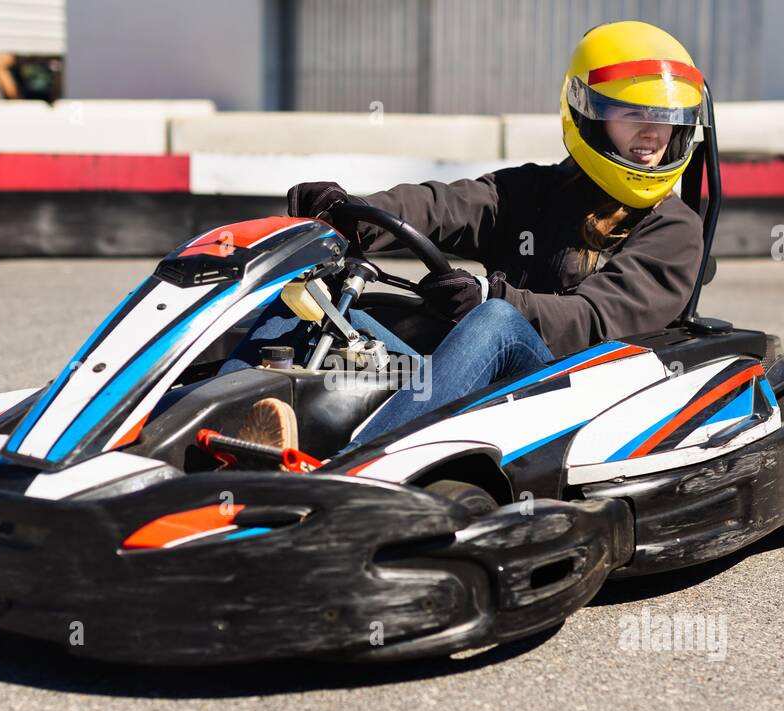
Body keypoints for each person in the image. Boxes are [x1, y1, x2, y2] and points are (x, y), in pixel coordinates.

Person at [226, 20, 707, 457]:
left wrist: (488, 296)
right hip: (483, 383)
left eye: (664, 118)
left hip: (578, 397)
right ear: (590, 115)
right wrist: (352, 214)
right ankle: (216, 434)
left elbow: (595, 321)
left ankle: (350, 470)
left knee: (496, 319)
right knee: (310, 297)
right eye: (632, 113)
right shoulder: (536, 190)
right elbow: (443, 206)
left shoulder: (674, 228)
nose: (652, 134)